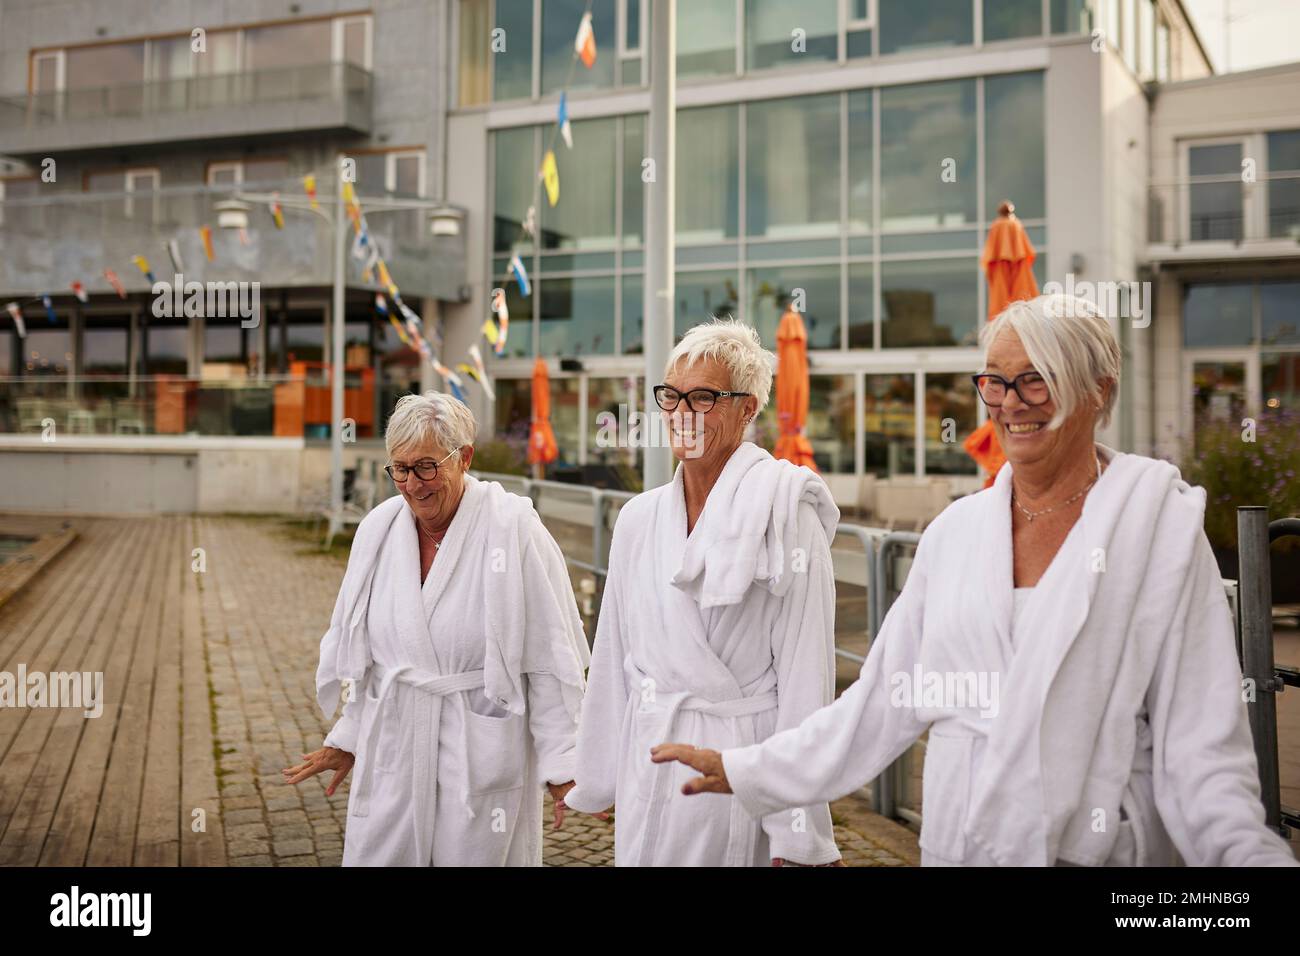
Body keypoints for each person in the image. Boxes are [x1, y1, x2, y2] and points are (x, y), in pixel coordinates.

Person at [654, 294, 1298, 867]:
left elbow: (1203, 751)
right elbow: (880, 705)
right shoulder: (956, 534)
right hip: (963, 841)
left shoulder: (1156, 531)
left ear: (1098, 390)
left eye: (1037, 382)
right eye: (995, 382)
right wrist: (748, 768)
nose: (1011, 403)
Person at [563, 318, 842, 866]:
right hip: (652, 758)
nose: (683, 413)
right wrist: (596, 772)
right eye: (672, 396)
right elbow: (614, 656)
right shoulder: (637, 519)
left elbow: (808, 678)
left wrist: (798, 829)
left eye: (705, 397)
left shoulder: (788, 519)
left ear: (748, 407)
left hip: (741, 766)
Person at [283, 391, 591, 866]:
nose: (412, 485)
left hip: (479, 749)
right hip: (397, 746)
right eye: (399, 470)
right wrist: (348, 737)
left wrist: (563, 766)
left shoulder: (513, 531)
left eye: (426, 467)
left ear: (464, 457)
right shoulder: (377, 532)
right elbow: (371, 660)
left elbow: (549, 659)